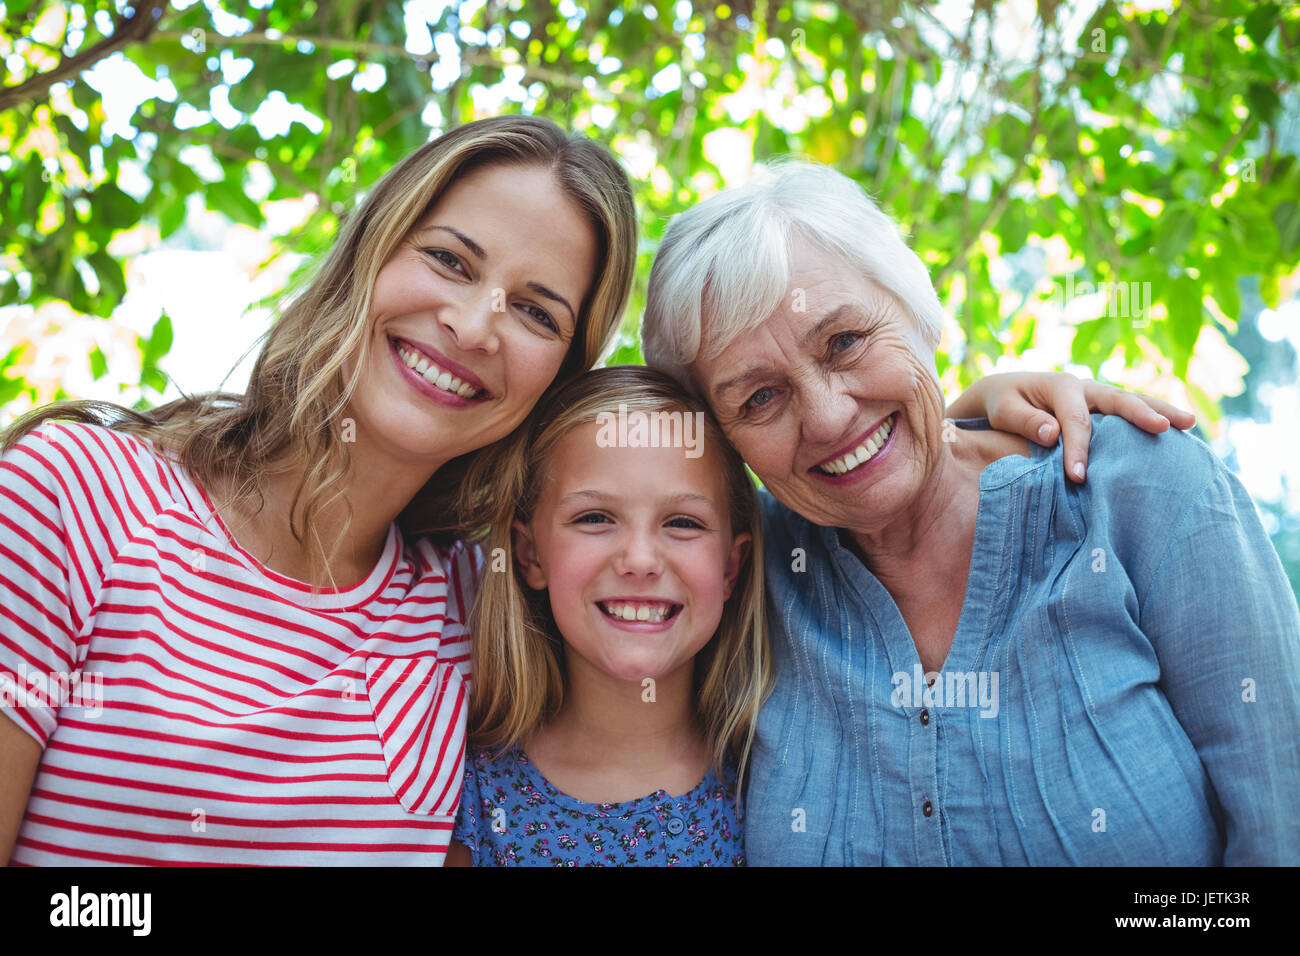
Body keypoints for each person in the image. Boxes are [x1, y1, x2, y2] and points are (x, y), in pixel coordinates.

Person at [0, 113, 1190, 866]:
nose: (471, 325)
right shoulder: (75, 496)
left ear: (553, 381)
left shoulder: (462, 598)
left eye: (534, 309)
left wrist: (967, 414)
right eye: (450, 261)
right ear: (372, 252)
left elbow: (720, 509)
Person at [641, 159, 1300, 865]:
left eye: (844, 342)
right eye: (759, 398)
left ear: (917, 312)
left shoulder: (1139, 486)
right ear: (717, 439)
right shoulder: (735, 570)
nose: (829, 418)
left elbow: (1281, 823)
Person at [446, 366, 765, 866]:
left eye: (683, 522)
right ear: (529, 556)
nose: (639, 561)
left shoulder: (774, 785)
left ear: (731, 567)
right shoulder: (468, 800)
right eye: (595, 518)